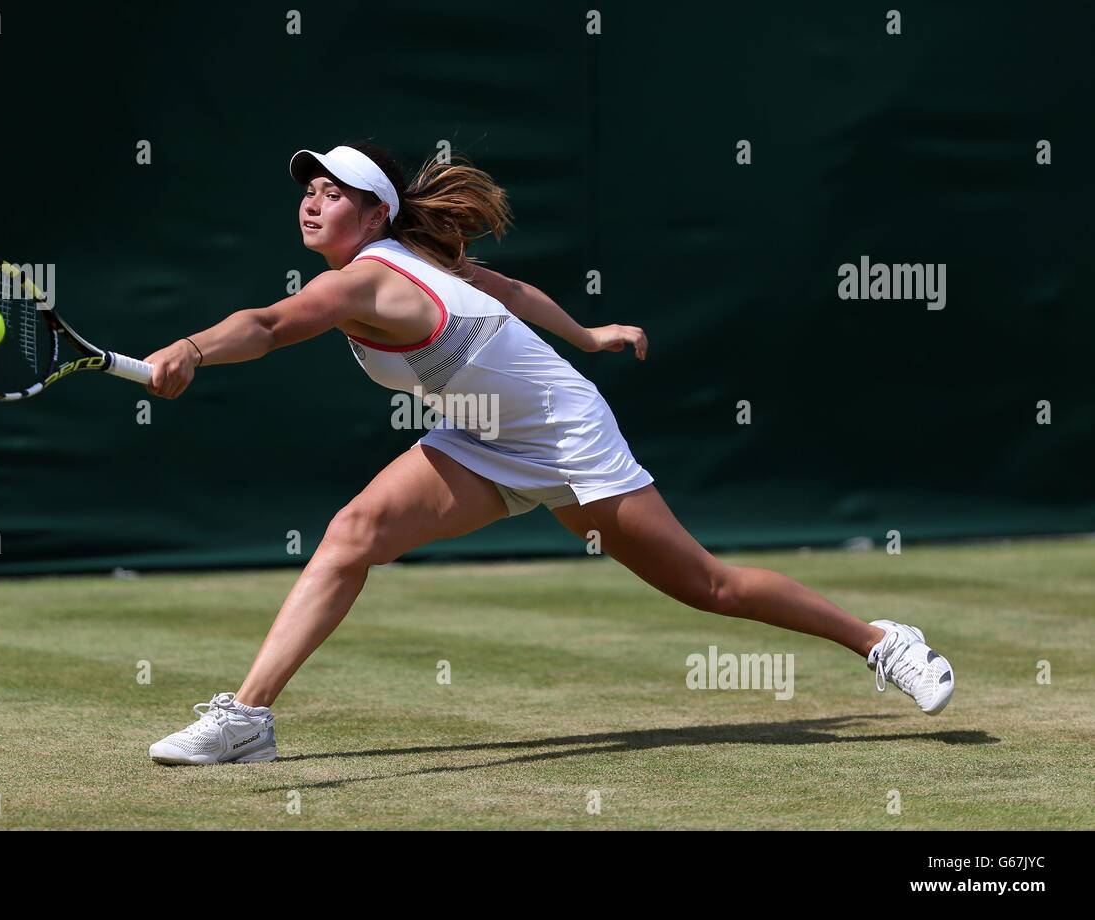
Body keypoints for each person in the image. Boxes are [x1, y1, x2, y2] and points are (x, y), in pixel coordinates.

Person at [142, 142, 954, 765]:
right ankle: (247, 721)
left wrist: (192, 347)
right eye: (308, 192)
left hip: (564, 436)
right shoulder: (413, 261)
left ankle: (883, 642)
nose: (312, 203)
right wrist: (588, 333)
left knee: (709, 586)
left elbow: (270, 324)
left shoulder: (361, 282)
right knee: (351, 534)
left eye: (333, 192)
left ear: (378, 213)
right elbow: (506, 289)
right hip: (479, 438)